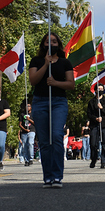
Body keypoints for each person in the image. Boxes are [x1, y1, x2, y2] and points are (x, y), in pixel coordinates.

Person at [28, 32, 74, 188]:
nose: (51, 44)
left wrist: (55, 83)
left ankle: (57, 176)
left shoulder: (65, 63)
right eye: (48, 42)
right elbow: (33, 80)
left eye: (54, 41)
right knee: (44, 140)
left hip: (58, 102)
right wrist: (46, 65)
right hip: (40, 102)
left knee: (55, 136)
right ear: (43, 45)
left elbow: (70, 84)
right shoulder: (36, 61)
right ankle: (47, 177)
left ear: (58, 45)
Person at [87, 83, 105, 169]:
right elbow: (89, 114)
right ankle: (93, 159)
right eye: (98, 89)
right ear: (95, 90)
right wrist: (96, 119)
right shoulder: (91, 102)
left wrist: (102, 108)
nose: (100, 90)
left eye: (101, 89)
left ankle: (104, 162)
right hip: (94, 125)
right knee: (93, 144)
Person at [19, 101, 36, 166]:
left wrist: (29, 119)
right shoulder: (22, 114)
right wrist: (24, 129)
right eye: (26, 106)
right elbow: (20, 124)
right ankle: (26, 159)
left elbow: (36, 123)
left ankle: (31, 158)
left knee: (30, 143)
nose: (27, 107)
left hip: (32, 130)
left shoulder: (33, 114)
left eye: (29, 106)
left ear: (31, 107)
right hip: (24, 131)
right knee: (25, 145)